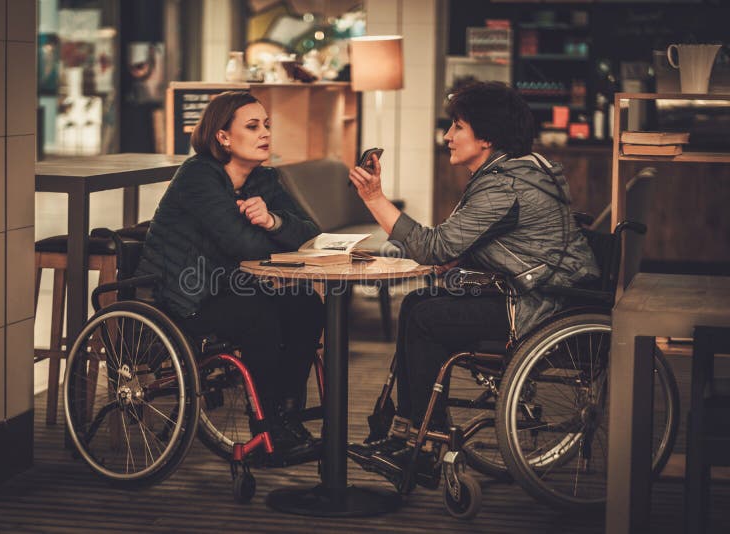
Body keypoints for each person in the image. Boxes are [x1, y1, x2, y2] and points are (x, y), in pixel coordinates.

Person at [346, 82, 599, 488]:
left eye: (457, 126)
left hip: (541, 307)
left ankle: (423, 443)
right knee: (416, 304)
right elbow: (479, 244)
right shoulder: (515, 171)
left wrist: (375, 198)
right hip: (537, 293)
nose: (447, 135)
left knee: (426, 316)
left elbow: (435, 246)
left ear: (487, 137)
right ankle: (411, 434)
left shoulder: (504, 185)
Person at [135, 91, 324, 459]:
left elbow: (309, 232)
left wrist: (272, 219)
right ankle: (267, 426)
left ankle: (287, 414)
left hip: (228, 287)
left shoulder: (263, 179)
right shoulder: (198, 175)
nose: (264, 133)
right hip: (181, 296)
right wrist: (266, 231)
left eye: (266, 125)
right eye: (252, 126)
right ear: (223, 137)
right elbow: (244, 245)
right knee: (260, 315)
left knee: (307, 304)